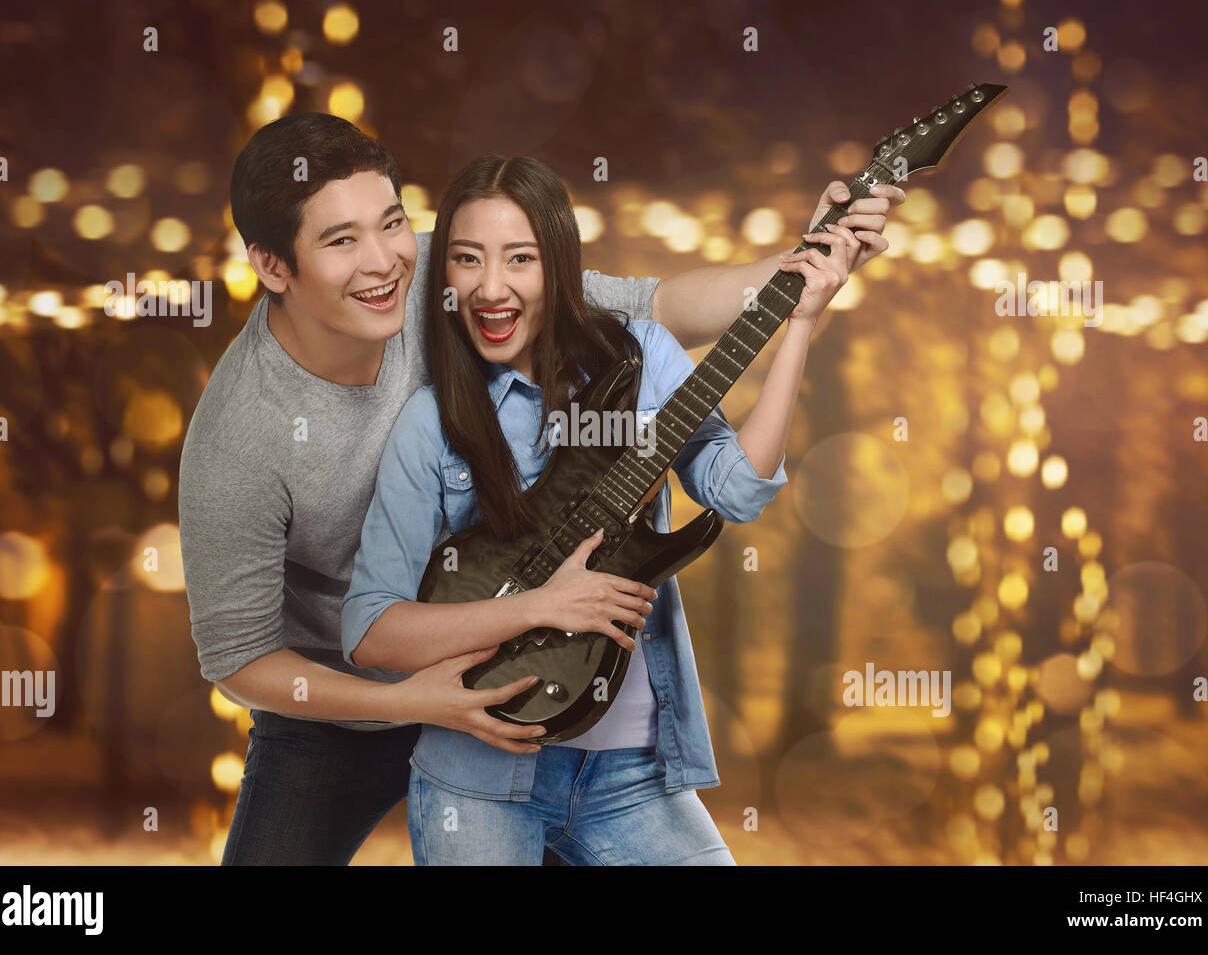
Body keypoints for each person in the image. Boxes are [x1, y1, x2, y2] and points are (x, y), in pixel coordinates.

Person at [181, 112, 901, 865]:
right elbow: (239, 656)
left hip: (534, 682)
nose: (383, 261)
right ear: (272, 266)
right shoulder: (239, 438)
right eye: (340, 240)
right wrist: (408, 700)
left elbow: (647, 310)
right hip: (337, 703)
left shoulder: (449, 271)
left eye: (391, 222)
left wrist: (807, 260)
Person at [340, 155, 862, 865]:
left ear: (558, 267)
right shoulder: (431, 423)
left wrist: (797, 326)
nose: (491, 287)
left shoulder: (641, 357)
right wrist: (541, 606)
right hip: (481, 777)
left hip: (634, 773)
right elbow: (371, 631)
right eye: (467, 260)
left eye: (519, 258)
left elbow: (736, 489)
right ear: (445, 280)